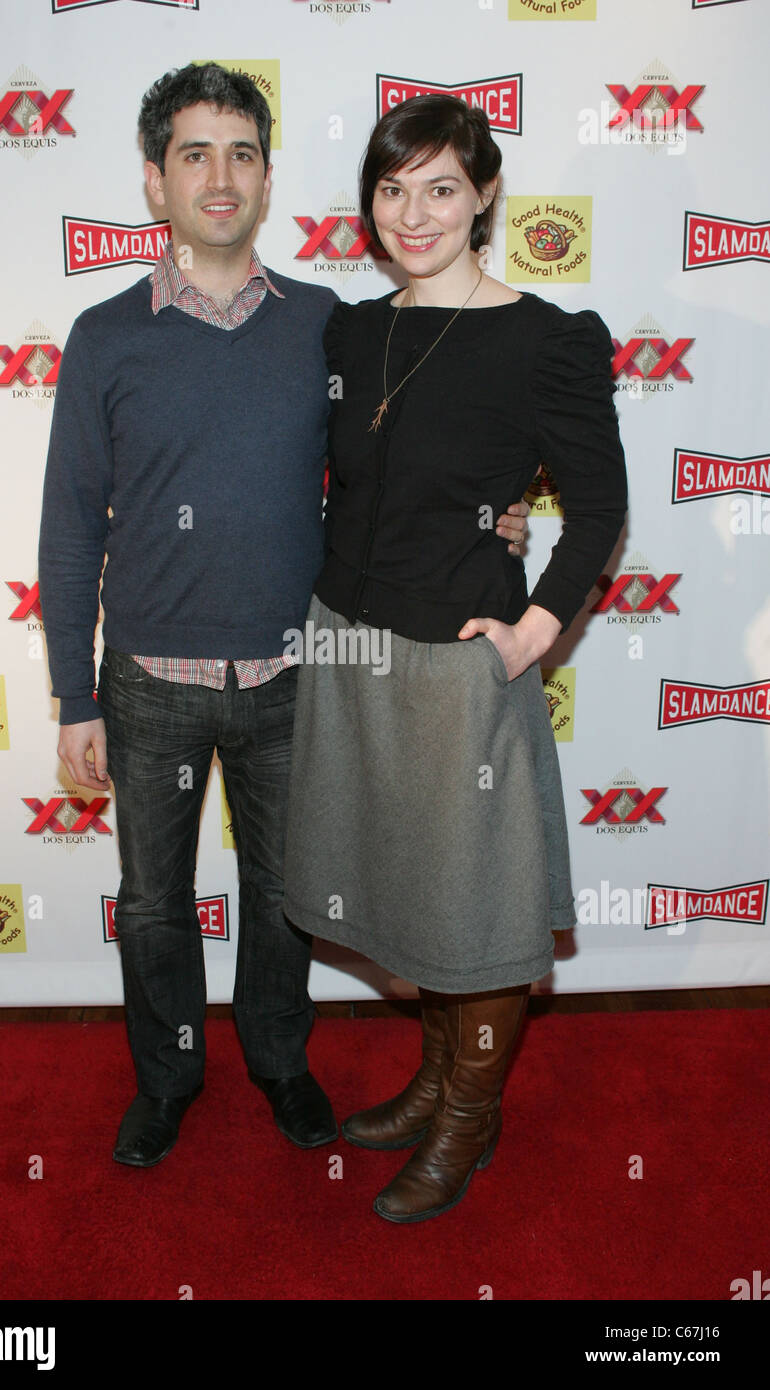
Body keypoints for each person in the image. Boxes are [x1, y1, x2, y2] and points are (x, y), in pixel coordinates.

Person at [37, 64, 530, 1170]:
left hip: (294, 674)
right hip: (150, 682)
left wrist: (493, 526)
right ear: (155, 183)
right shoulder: (104, 335)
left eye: (242, 152)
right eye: (195, 154)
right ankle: (165, 1079)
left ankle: (277, 1060)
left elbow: (410, 460)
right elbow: (70, 525)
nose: (221, 175)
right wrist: (76, 692)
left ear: (267, 179)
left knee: (283, 894)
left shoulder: (329, 328)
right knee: (155, 906)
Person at [282, 94, 628, 1223]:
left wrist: (537, 626)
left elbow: (598, 507)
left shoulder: (543, 339)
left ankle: (469, 1122)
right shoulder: (348, 329)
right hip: (348, 646)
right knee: (405, 890)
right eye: (390, 189)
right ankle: (433, 1082)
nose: (411, 212)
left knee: (474, 910)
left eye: (438, 187)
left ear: (484, 194)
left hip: (455, 664)